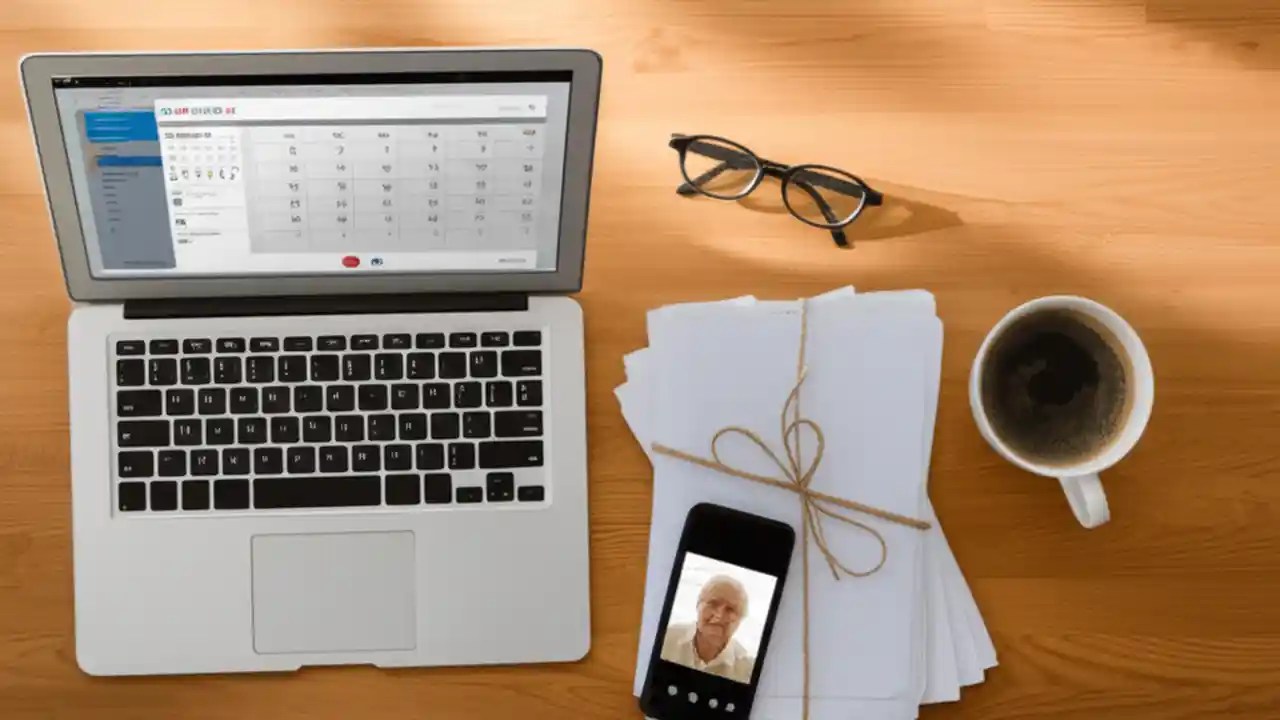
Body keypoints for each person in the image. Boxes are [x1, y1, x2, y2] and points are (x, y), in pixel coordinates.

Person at [660, 574, 755, 683]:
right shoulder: (664, 638)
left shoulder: (748, 671)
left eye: (730, 609)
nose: (719, 615)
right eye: (713, 603)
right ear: (698, 605)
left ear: (740, 619)